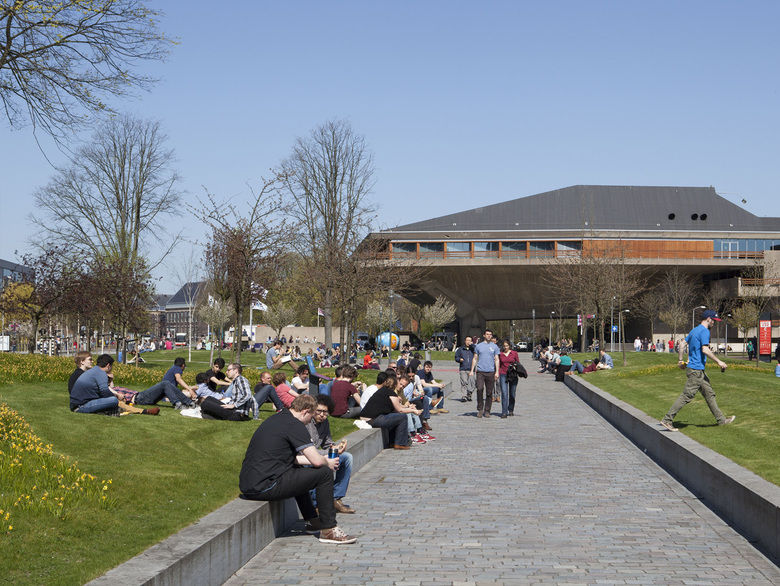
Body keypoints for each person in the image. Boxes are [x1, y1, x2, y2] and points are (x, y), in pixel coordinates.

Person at [239, 395, 357, 544]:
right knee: (324, 474)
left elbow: (291, 458)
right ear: (306, 411)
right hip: (266, 485)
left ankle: (313, 521)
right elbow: (316, 460)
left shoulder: (277, 419)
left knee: (300, 471)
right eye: (312, 415)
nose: (311, 420)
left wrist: (323, 460)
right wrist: (327, 462)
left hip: (250, 484)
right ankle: (328, 529)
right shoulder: (295, 425)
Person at [660, 310, 735, 432]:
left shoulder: (694, 330)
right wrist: (719, 361)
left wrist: (680, 360)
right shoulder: (704, 331)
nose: (714, 324)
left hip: (696, 370)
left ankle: (721, 420)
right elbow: (705, 350)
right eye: (714, 321)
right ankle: (667, 420)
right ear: (709, 319)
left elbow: (682, 344)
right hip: (696, 370)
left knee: (709, 394)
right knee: (687, 395)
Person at [306, 394, 355, 514]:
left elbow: (328, 443)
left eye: (325, 412)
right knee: (316, 465)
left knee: (347, 457)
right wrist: (329, 452)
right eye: (319, 411)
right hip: (306, 457)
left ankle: (336, 498)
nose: (322, 415)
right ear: (313, 410)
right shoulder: (306, 423)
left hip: (321, 454)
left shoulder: (325, 422)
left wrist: (336, 447)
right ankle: (315, 503)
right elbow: (308, 450)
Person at [359, 374, 416, 449]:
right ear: (395, 385)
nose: (401, 386)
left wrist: (409, 407)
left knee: (395, 417)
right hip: (372, 420)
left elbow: (396, 408)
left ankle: (392, 442)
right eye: (400, 384)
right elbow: (400, 410)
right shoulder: (391, 393)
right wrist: (414, 411)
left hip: (367, 418)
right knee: (402, 417)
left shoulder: (382, 391)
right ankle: (400, 443)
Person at [470, 329, 500, 418]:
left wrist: (497, 372)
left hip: (490, 372)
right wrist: (472, 370)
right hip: (480, 371)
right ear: (484, 335)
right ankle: (480, 409)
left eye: (490, 334)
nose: (489, 336)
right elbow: (475, 358)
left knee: (489, 392)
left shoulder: (495, 347)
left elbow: (497, 359)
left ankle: (487, 410)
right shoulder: (478, 346)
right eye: (487, 334)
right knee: (479, 389)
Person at [497, 340, 519, 417]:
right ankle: (504, 412)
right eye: (504, 346)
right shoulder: (500, 354)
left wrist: (515, 367)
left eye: (507, 345)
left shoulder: (514, 353)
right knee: (504, 393)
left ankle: (511, 409)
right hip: (503, 374)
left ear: (509, 346)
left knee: (512, 394)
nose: (505, 347)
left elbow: (518, 363)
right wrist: (497, 373)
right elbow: (498, 364)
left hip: (513, 375)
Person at [454, 336, 475, 402]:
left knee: (472, 383)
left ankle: (469, 395)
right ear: (465, 341)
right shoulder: (460, 349)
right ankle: (464, 396)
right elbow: (456, 357)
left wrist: (472, 345)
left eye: (470, 340)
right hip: (463, 368)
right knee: (464, 382)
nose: (468, 342)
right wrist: (459, 359)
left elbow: (477, 350)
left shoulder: (473, 349)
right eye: (467, 340)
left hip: (471, 369)